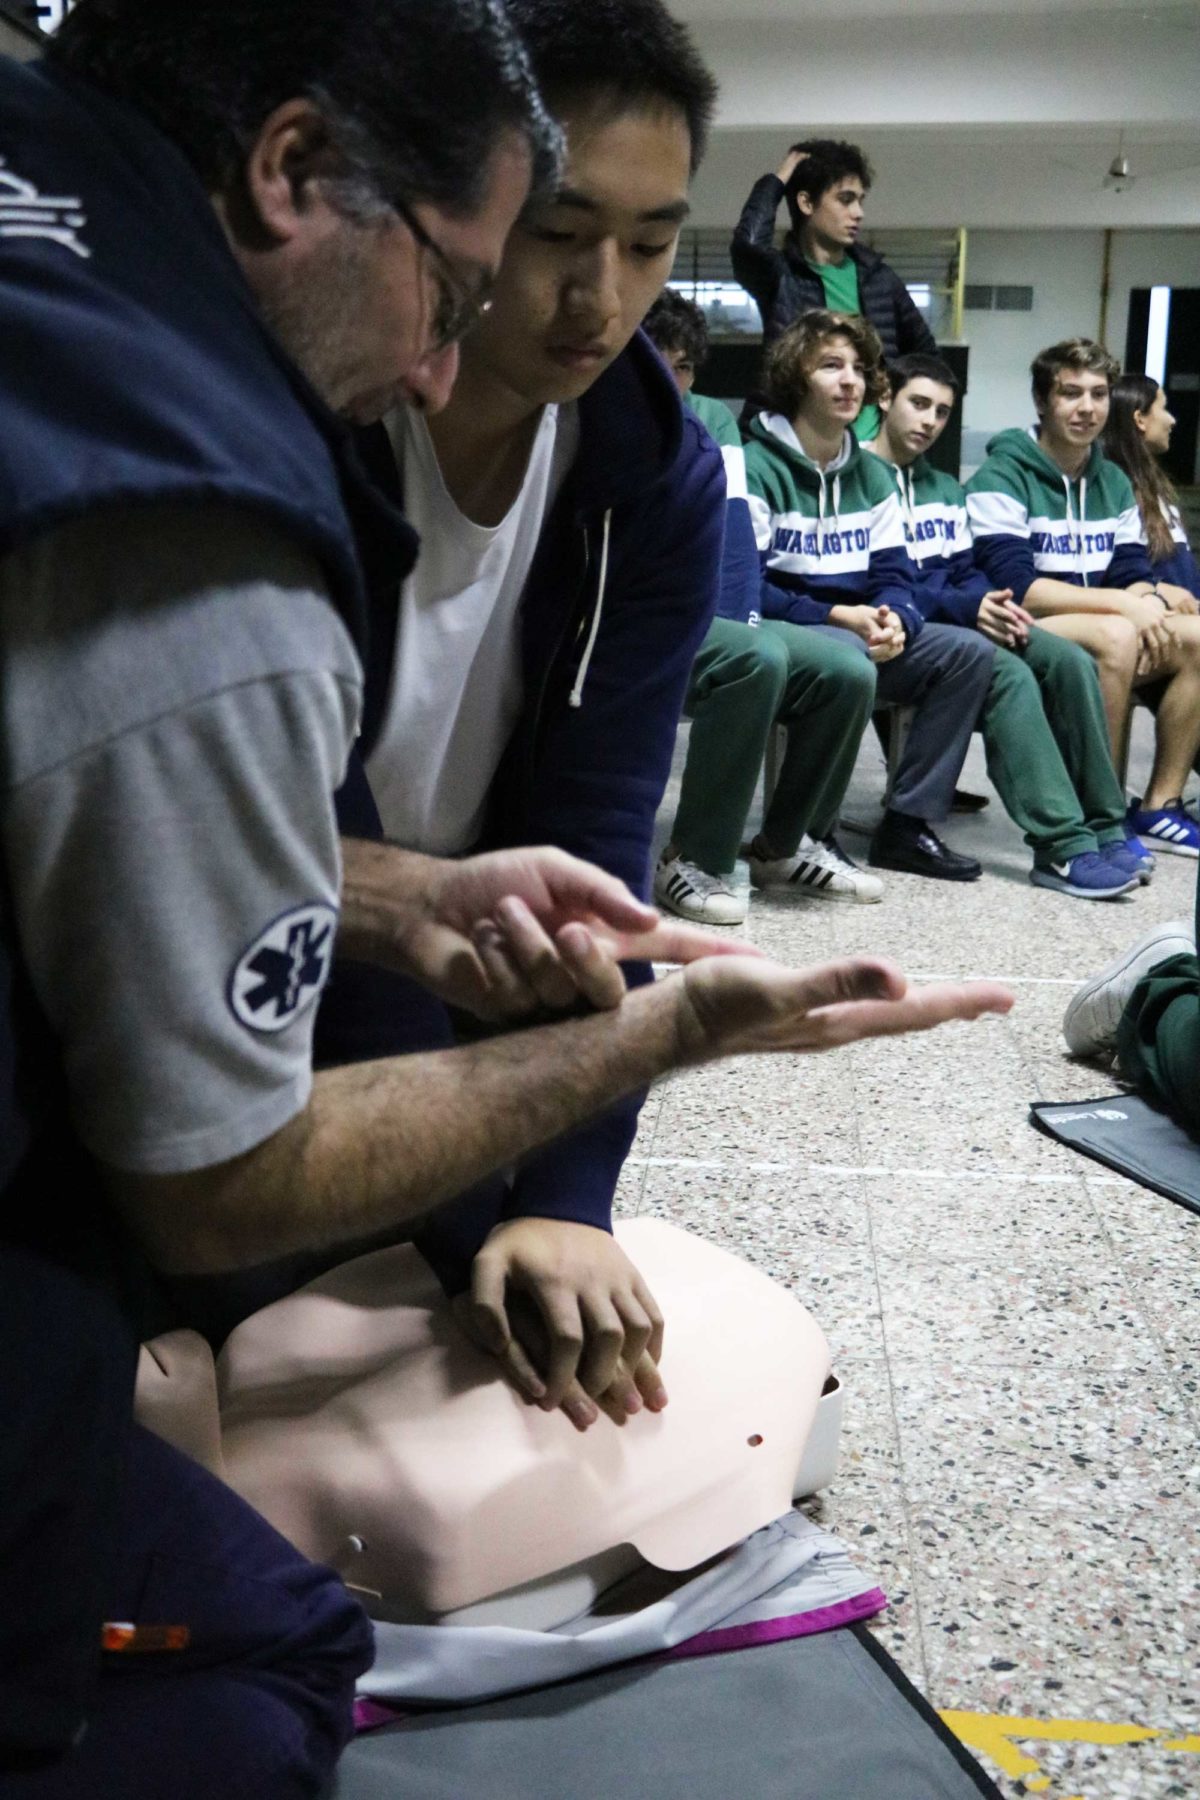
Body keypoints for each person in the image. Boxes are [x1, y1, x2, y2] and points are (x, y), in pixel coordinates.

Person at [866, 354, 1140, 898]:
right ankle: (1062, 846)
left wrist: (988, 602)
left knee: (1066, 659)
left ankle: (1105, 825)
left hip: (958, 621)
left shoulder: (941, 486)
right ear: (884, 399)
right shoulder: (859, 477)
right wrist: (968, 609)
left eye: (942, 412)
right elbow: (873, 581)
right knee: (1007, 674)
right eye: (919, 404)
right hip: (898, 629)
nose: (930, 421)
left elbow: (966, 571)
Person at [743, 310, 993, 884]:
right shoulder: (757, 466)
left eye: (859, 368)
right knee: (847, 658)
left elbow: (895, 574)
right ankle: (808, 834)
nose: (851, 380)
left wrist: (896, 618)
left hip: (861, 628)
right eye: (832, 366)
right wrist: (838, 616)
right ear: (794, 377)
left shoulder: (872, 476)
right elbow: (747, 585)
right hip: (792, 629)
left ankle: (907, 824)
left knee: (967, 653)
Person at [965, 338, 1200, 858]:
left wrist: (1149, 600)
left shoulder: (1112, 480)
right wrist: (1128, 605)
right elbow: (1021, 587)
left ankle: (1160, 805)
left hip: (1096, 622)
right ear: (1043, 402)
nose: (1087, 407)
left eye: (1098, 394)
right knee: (1117, 632)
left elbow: (1132, 571)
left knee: (1195, 635)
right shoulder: (1001, 476)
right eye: (1071, 393)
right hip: (1016, 626)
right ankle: (1104, 812)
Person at [643, 287, 807, 923]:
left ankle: (788, 845)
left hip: (702, 616)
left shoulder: (709, 417)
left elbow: (735, 530)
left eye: (684, 365)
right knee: (757, 660)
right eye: (657, 358)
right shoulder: (593, 400)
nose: (671, 377)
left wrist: (744, 620)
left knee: (840, 670)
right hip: (627, 612)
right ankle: (696, 859)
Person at [731, 137, 936, 439]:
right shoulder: (782, 276)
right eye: (845, 199)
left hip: (869, 447)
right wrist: (776, 180)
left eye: (860, 201)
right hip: (793, 442)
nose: (858, 213)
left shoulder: (878, 278)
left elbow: (927, 357)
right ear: (806, 203)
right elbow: (748, 245)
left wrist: (895, 409)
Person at [1103, 374, 1199, 608]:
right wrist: (1156, 589)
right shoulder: (1113, 489)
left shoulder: (1154, 486)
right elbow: (1108, 574)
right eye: (1164, 409)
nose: (1172, 420)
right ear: (1140, 420)